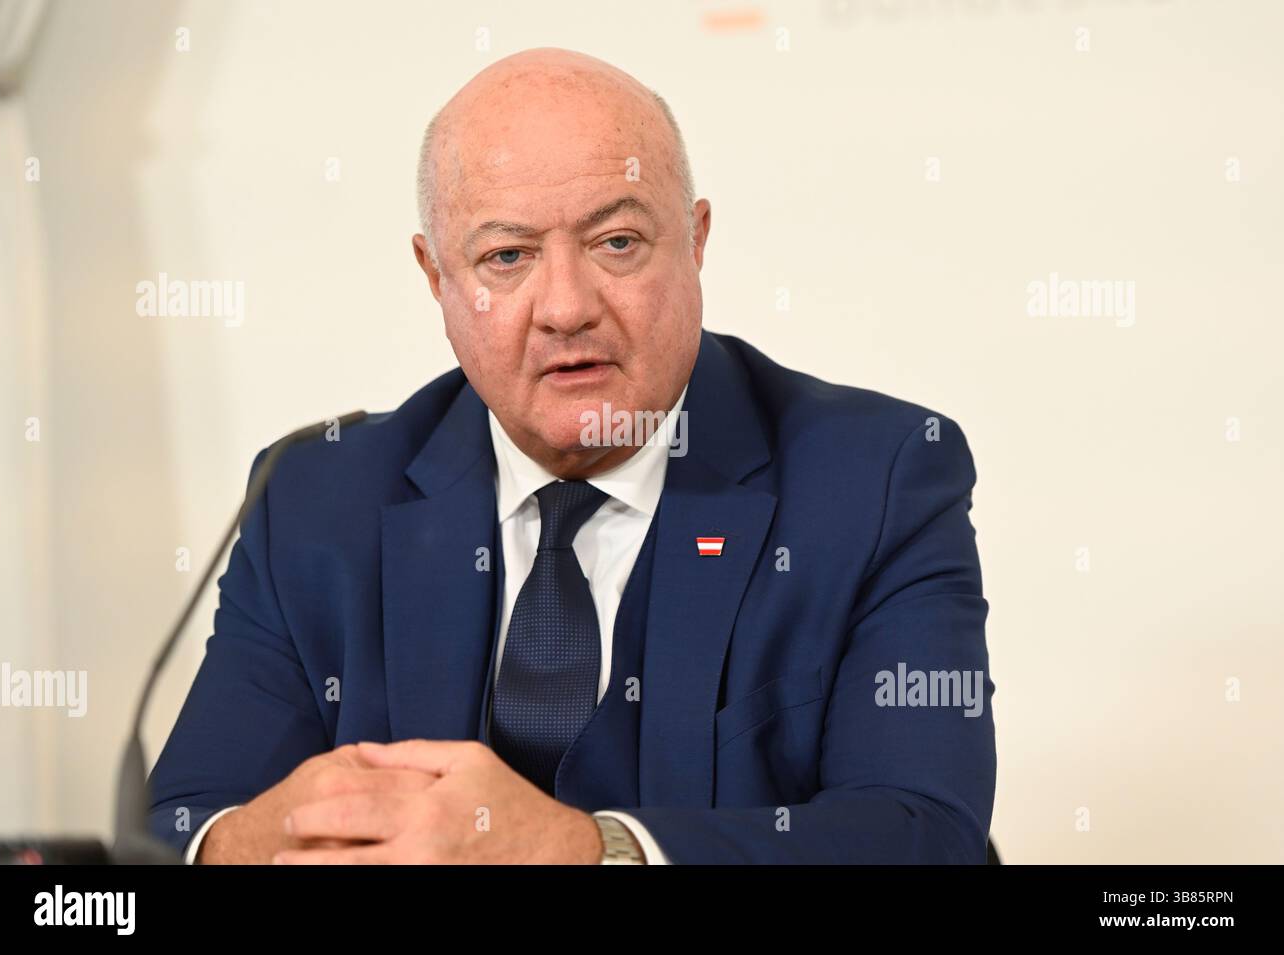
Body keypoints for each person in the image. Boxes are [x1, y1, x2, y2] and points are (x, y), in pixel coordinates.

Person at [148, 47, 996, 864]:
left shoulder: (878, 480)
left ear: (696, 242)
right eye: (506, 257)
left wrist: (590, 853)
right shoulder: (313, 500)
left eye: (617, 242)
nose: (565, 306)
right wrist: (258, 843)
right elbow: (180, 826)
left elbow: (923, 833)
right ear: (436, 276)